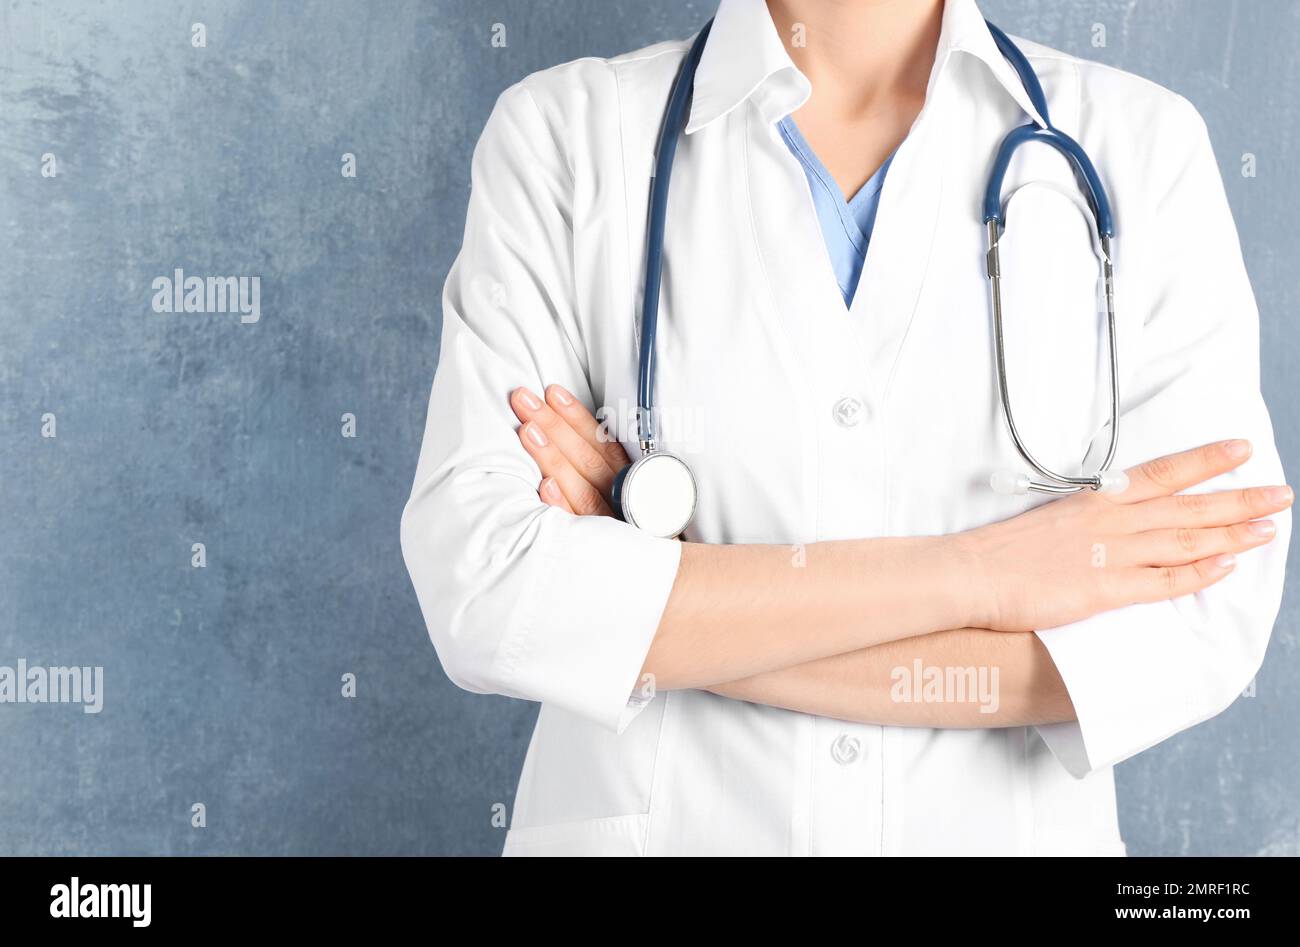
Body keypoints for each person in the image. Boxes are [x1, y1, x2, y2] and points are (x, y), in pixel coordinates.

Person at [401, 0, 1291, 855]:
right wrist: (984, 577)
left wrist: (660, 611)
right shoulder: (567, 135)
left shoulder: (1140, 145)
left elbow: (1199, 622)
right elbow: (490, 587)